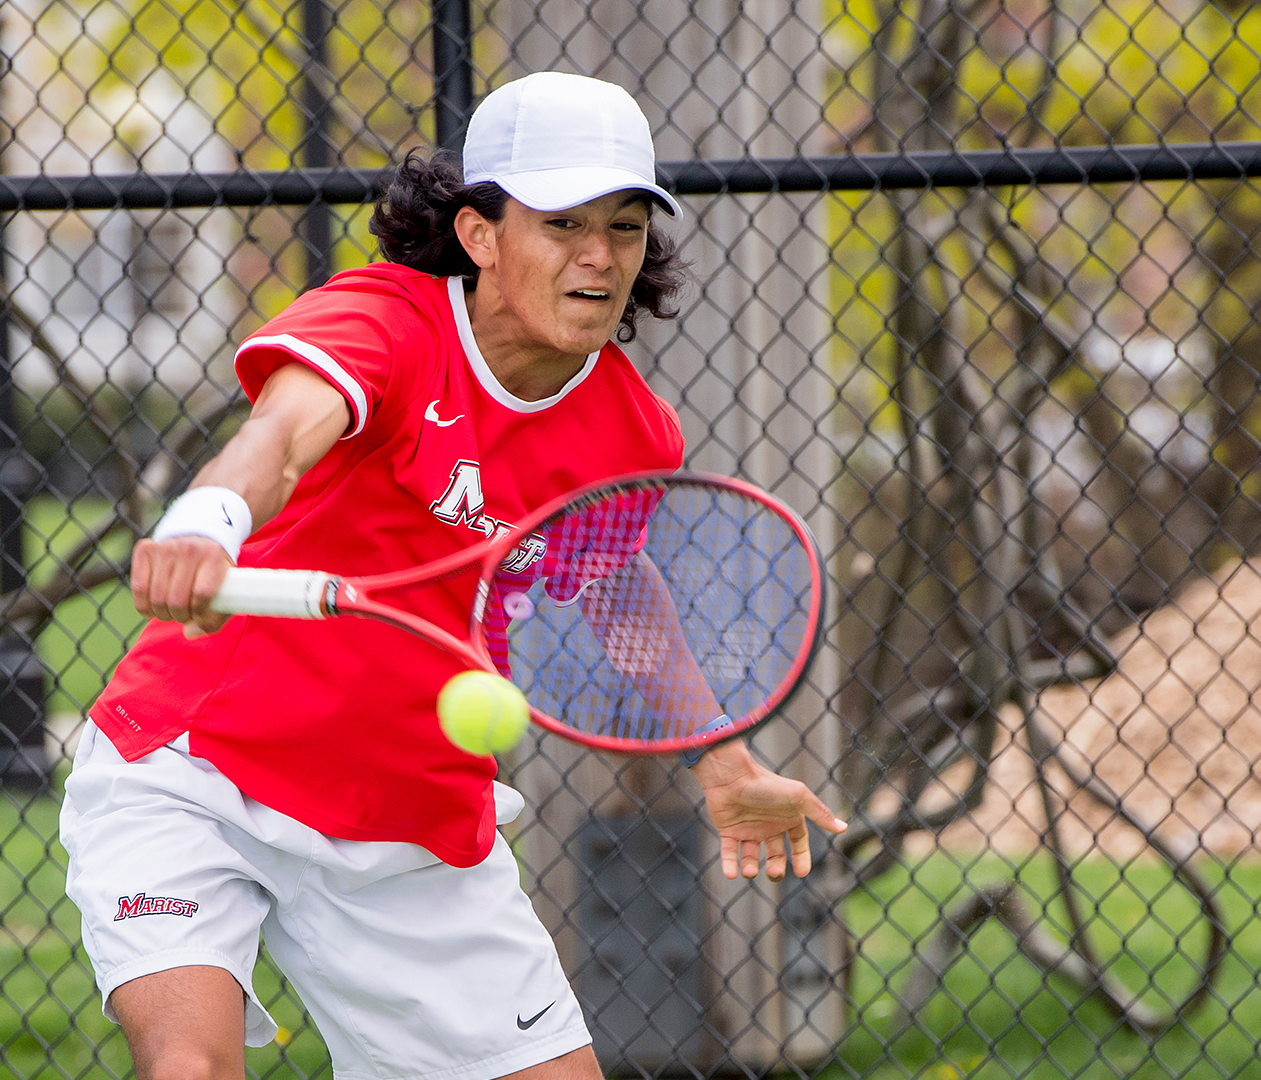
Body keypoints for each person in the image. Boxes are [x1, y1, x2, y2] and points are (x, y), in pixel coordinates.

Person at [60, 71, 847, 1080]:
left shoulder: (631, 427)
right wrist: (208, 521)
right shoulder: (386, 321)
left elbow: (611, 588)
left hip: (410, 826)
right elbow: (284, 433)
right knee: (191, 1066)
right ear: (480, 234)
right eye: (561, 223)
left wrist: (721, 758)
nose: (599, 257)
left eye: (625, 226)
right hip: (195, 769)